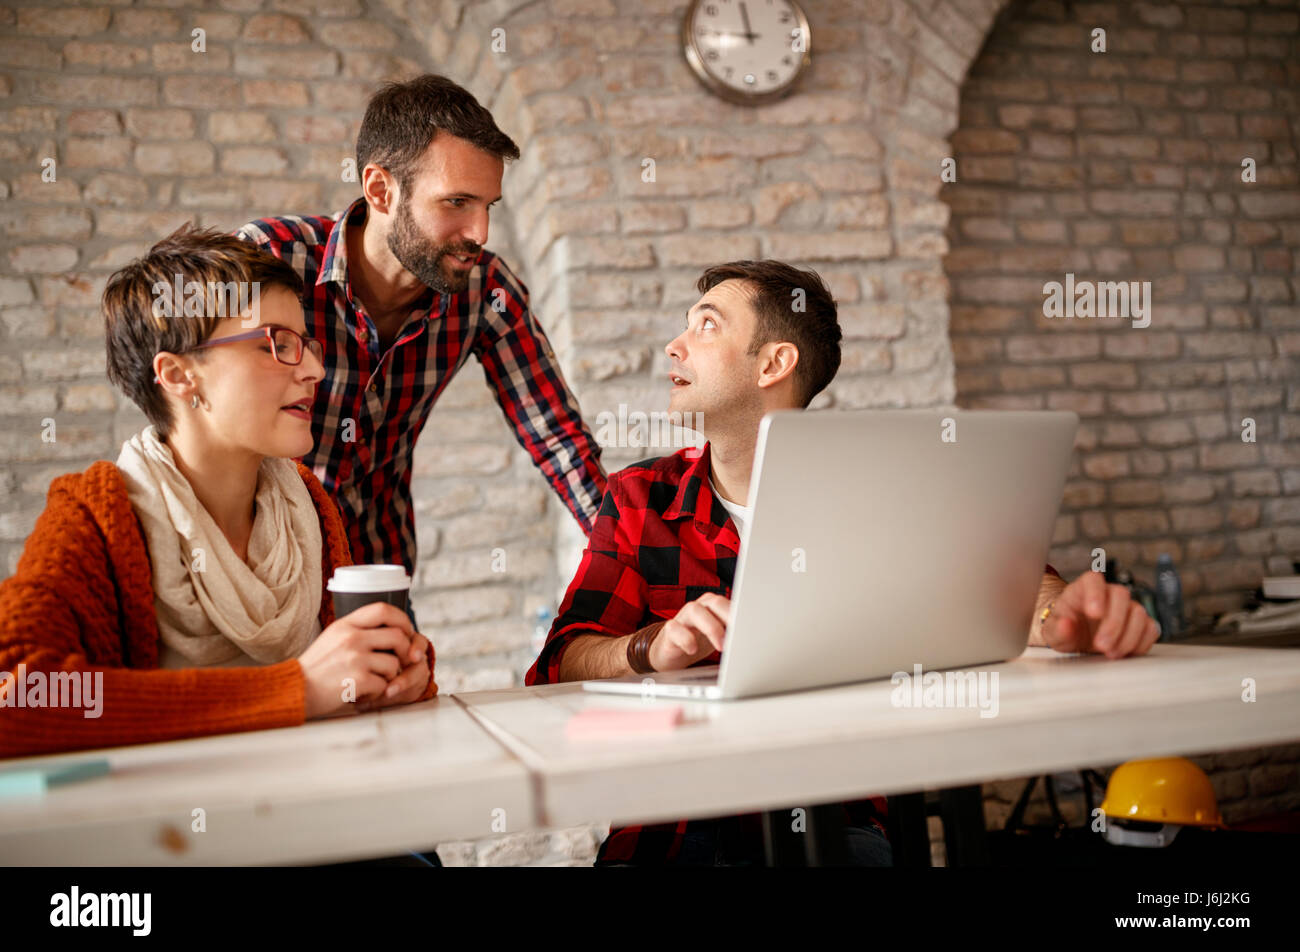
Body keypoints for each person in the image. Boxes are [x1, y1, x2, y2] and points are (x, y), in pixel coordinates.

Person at [525, 259, 1161, 866]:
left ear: (774, 363)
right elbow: (560, 663)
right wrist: (650, 647)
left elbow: (1010, 589)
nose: (674, 345)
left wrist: (1062, 616)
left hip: (834, 822)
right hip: (669, 827)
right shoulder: (640, 497)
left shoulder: (881, 485)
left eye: (706, 324)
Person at [0, 226, 435, 760]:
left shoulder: (309, 507)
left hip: (314, 813)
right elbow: (18, 696)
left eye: (308, 344)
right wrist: (296, 689)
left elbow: (348, 692)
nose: (315, 370)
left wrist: (400, 676)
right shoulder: (94, 516)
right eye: (277, 344)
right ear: (180, 375)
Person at [235, 74, 607, 610]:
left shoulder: (486, 289)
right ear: (381, 190)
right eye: (456, 202)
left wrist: (640, 563)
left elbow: (558, 439)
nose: (480, 232)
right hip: (257, 566)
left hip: (375, 573)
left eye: (489, 206)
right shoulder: (269, 257)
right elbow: (193, 403)